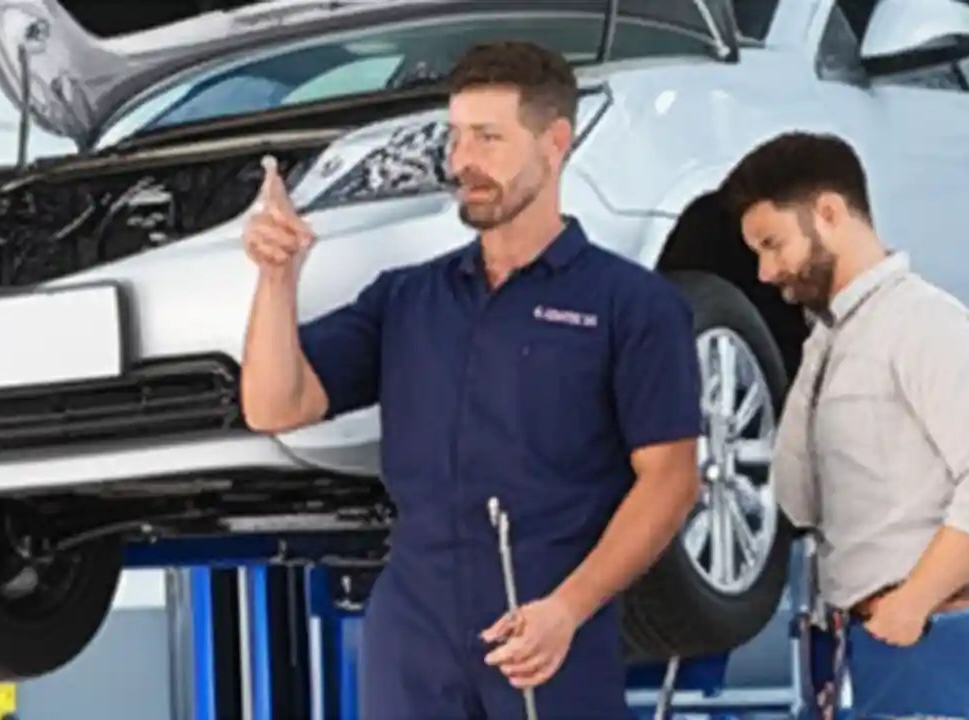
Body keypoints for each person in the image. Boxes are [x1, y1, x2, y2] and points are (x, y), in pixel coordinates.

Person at [238, 40, 702, 719]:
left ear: (555, 143)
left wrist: (568, 609)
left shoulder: (631, 305)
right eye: (455, 138)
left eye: (488, 138)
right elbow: (274, 405)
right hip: (413, 628)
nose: (463, 163)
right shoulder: (406, 301)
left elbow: (671, 478)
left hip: (547, 624)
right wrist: (277, 278)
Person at [720, 131, 969, 720]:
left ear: (829, 213)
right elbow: (802, 502)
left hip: (932, 634)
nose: (765, 272)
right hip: (874, 638)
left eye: (773, 244)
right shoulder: (831, 341)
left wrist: (911, 605)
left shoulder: (924, 325)